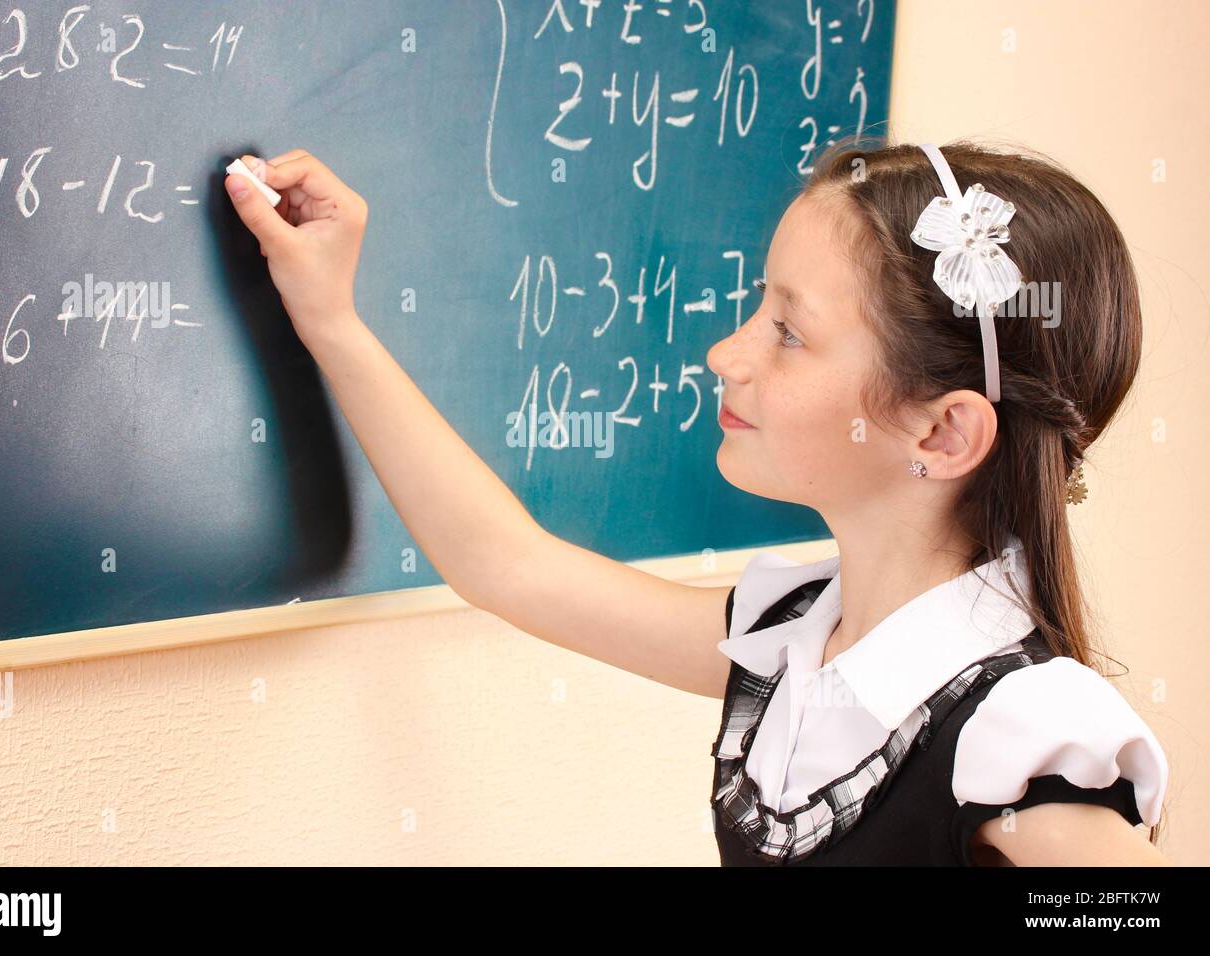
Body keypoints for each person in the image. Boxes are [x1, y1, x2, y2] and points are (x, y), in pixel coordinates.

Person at [224, 137, 1170, 865]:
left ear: (943, 434)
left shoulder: (1027, 735)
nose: (728, 353)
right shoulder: (794, 636)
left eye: (789, 332)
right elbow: (504, 565)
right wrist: (331, 318)